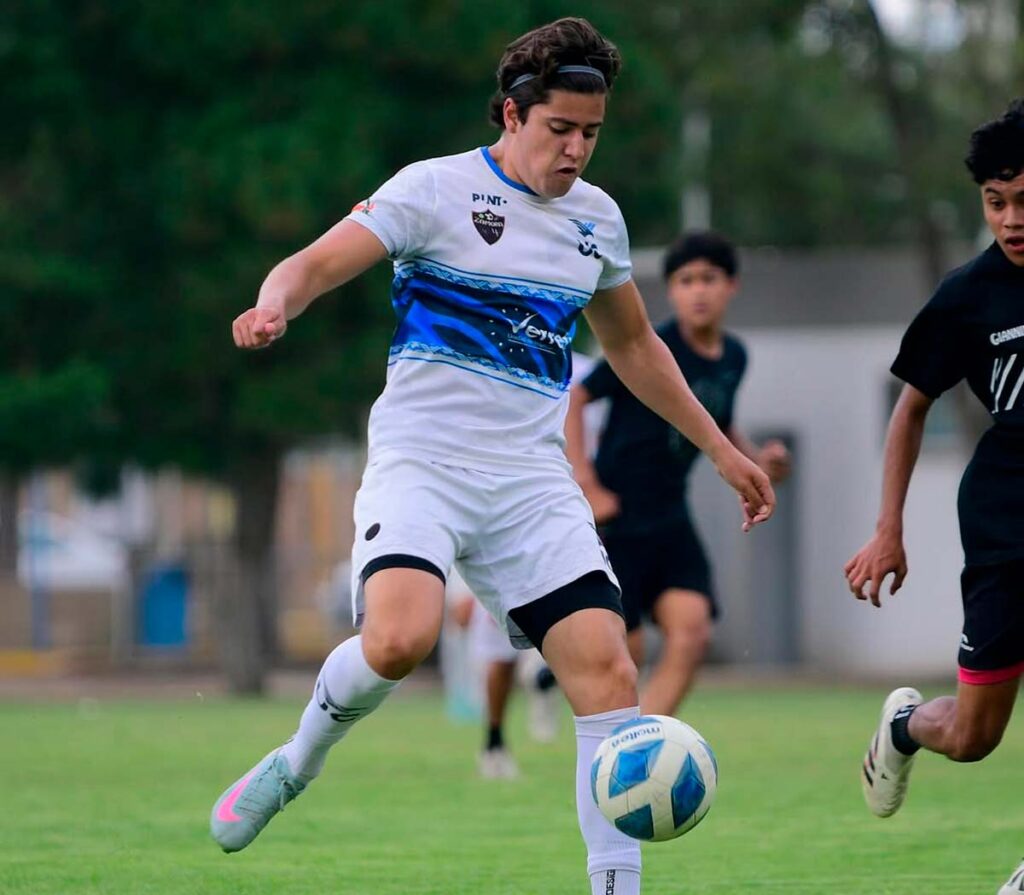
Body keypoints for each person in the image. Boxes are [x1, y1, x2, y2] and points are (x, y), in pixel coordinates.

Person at [212, 18, 774, 894]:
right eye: (560, 129)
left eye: (592, 132)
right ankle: (295, 759)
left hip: (528, 479)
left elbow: (633, 349)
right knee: (398, 639)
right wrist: (275, 301)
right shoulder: (433, 192)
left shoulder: (596, 223)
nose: (578, 149)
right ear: (512, 115)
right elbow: (318, 262)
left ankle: (616, 886)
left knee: (608, 671)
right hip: (423, 462)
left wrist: (722, 446)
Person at [844, 98, 1024, 895]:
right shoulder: (968, 295)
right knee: (976, 734)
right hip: (1005, 528)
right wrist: (889, 530)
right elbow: (911, 407)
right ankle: (903, 726)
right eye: (996, 201)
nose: (1012, 218)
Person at [565, 231, 790, 716]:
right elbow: (579, 396)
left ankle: (647, 747)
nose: (698, 291)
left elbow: (715, 418)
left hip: (670, 513)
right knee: (629, 649)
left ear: (732, 286)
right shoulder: (649, 346)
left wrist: (754, 459)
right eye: (686, 281)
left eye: (709, 279)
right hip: (617, 512)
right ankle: (599, 726)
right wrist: (586, 482)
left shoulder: (734, 356)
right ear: (671, 291)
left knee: (692, 630)